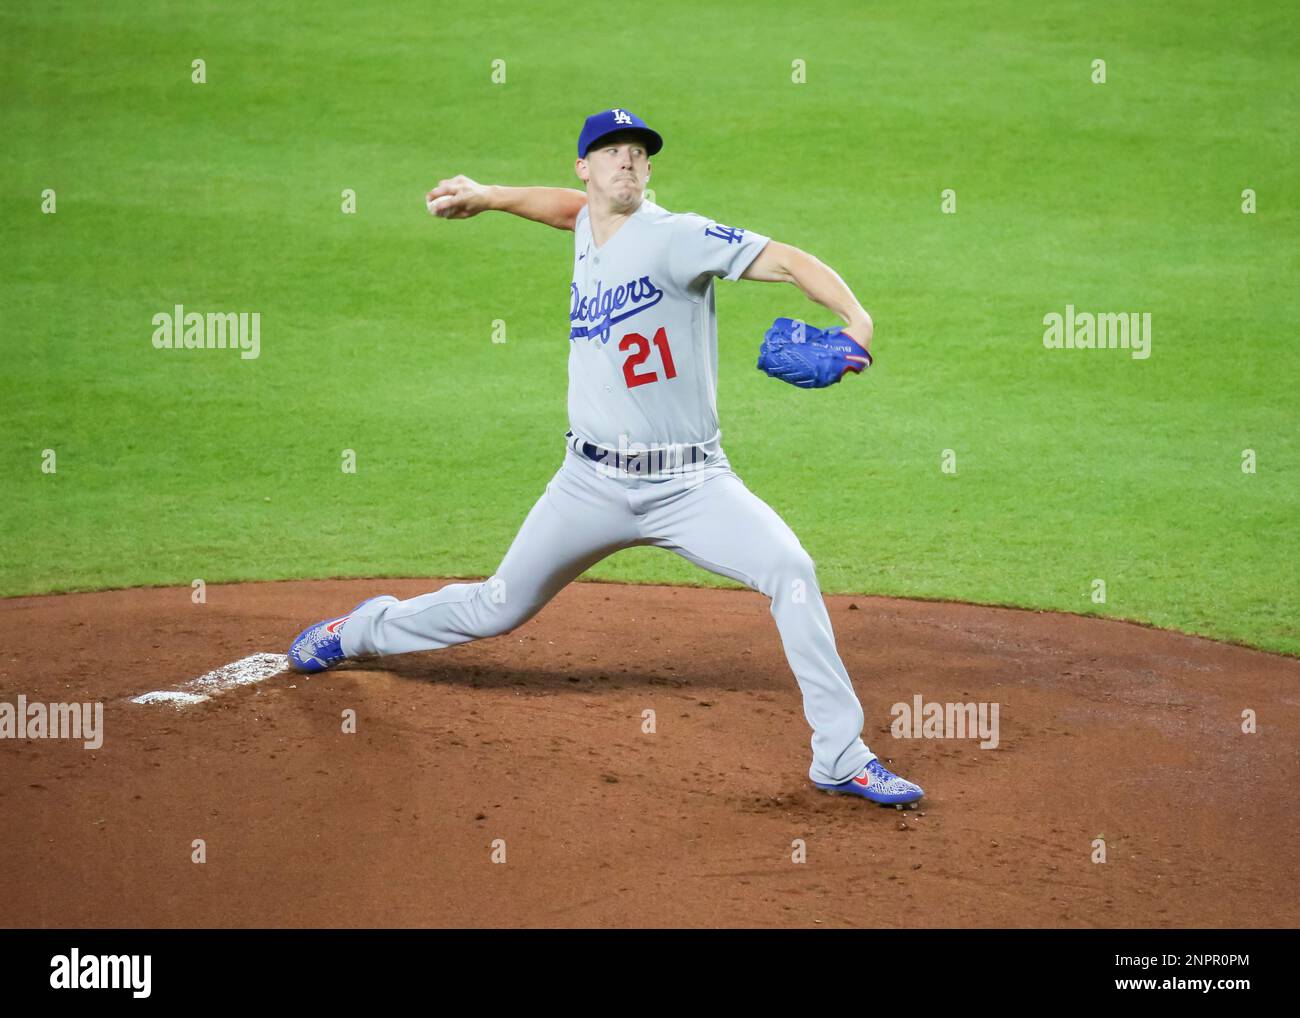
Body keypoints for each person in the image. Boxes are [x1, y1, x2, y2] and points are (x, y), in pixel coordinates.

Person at [288, 107, 923, 806]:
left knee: (791, 571)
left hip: (691, 483)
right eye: (612, 151)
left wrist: (856, 322)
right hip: (588, 483)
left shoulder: (678, 236)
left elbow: (790, 260)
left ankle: (839, 754)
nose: (628, 160)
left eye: (639, 153)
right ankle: (360, 631)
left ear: (649, 171)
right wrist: (492, 196)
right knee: (495, 607)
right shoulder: (589, 223)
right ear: (585, 167)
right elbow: (567, 213)